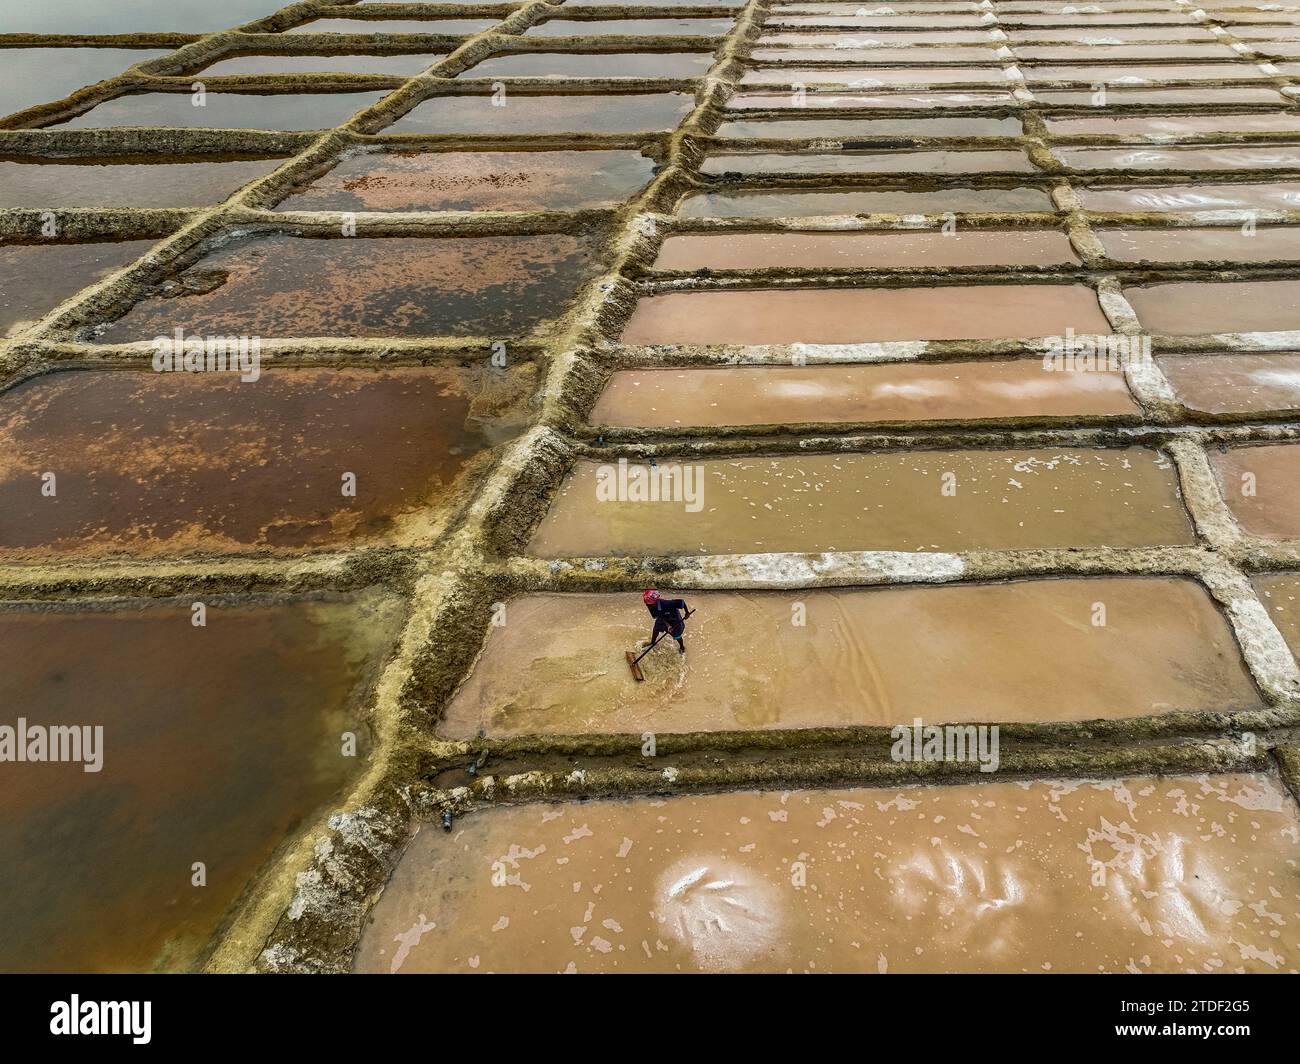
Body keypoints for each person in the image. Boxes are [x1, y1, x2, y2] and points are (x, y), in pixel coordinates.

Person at [642, 589, 689, 655]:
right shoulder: (651, 606)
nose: (648, 606)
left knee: (676, 634)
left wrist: (687, 613)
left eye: (649, 604)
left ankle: (682, 647)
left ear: (655, 603)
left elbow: (682, 602)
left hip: (674, 617)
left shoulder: (667, 603)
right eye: (647, 604)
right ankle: (652, 643)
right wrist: (667, 625)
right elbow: (659, 616)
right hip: (663, 617)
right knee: (656, 628)